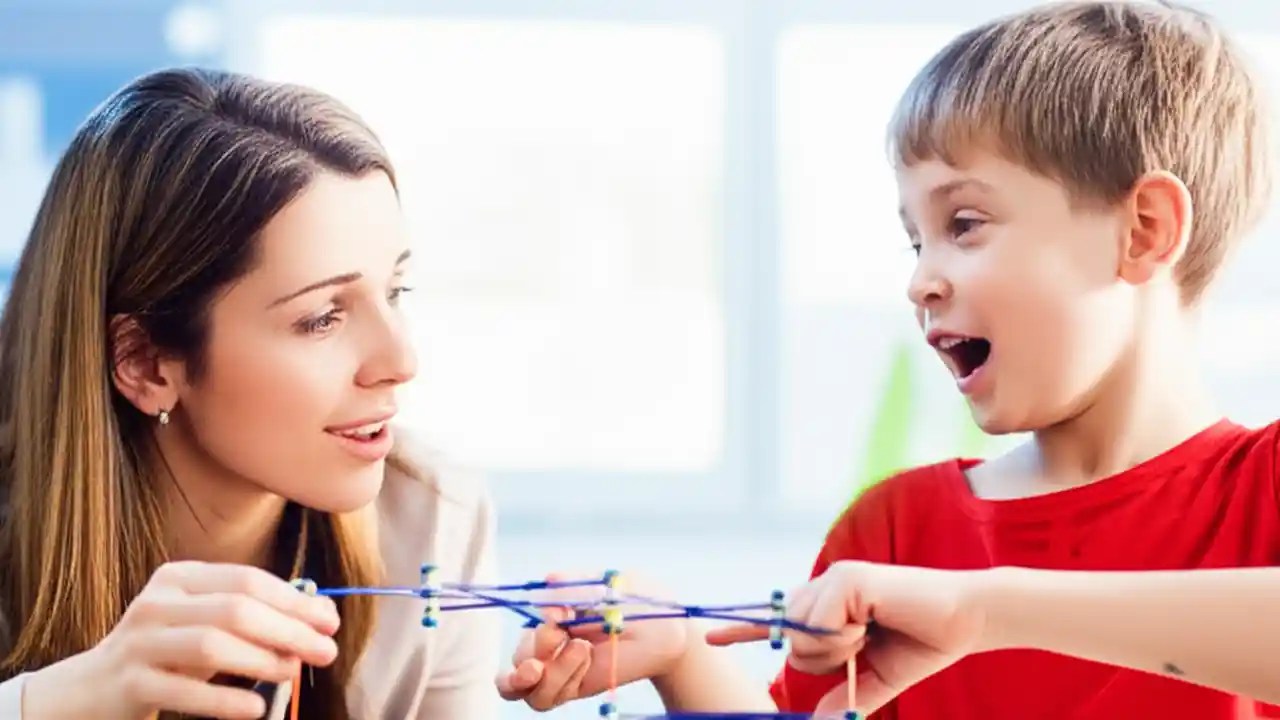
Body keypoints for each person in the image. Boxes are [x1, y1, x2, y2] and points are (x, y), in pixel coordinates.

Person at [496, 1, 1280, 717]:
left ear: (1143, 229)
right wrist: (681, 658)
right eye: (915, 239)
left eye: (965, 222)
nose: (921, 280)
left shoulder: (1264, 490)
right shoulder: (898, 530)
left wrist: (989, 611)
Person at [0, 67, 499, 719]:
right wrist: (48, 705)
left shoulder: (432, 520)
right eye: (321, 317)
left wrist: (683, 666)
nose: (401, 362)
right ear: (145, 361)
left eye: (394, 293)